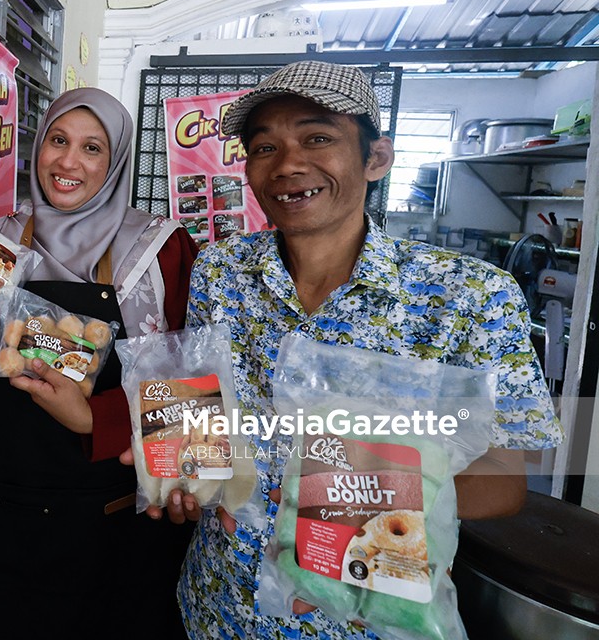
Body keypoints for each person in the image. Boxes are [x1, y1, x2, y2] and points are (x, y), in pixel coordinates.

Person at [145, 60, 564, 639]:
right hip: (220, 604)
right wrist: (184, 472)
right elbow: (205, 416)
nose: (288, 164)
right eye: (264, 148)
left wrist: (355, 504)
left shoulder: (471, 297)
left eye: (318, 138)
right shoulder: (223, 270)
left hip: (363, 619)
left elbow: (503, 479)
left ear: (376, 158)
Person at [0, 88, 199, 639]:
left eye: (92, 147)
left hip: (126, 511)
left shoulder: (160, 249)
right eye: (58, 140)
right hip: (14, 508)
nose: (68, 162)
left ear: (117, 160)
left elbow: (194, 389)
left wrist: (92, 420)